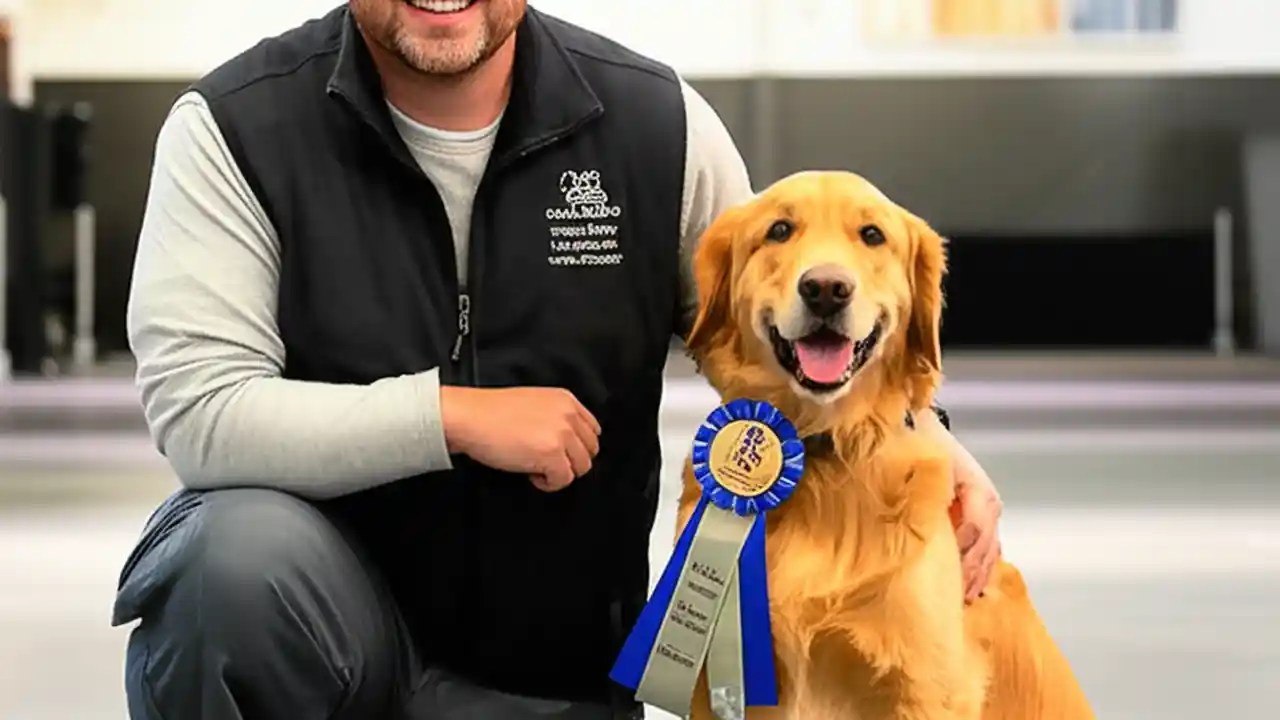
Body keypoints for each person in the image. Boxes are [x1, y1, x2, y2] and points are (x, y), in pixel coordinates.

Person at [111, 1, 1005, 718]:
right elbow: (203, 414)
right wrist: (453, 416)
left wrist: (931, 437)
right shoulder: (233, 130)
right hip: (326, 643)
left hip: (554, 675)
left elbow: (782, 331)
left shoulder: (659, 128)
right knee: (224, 567)